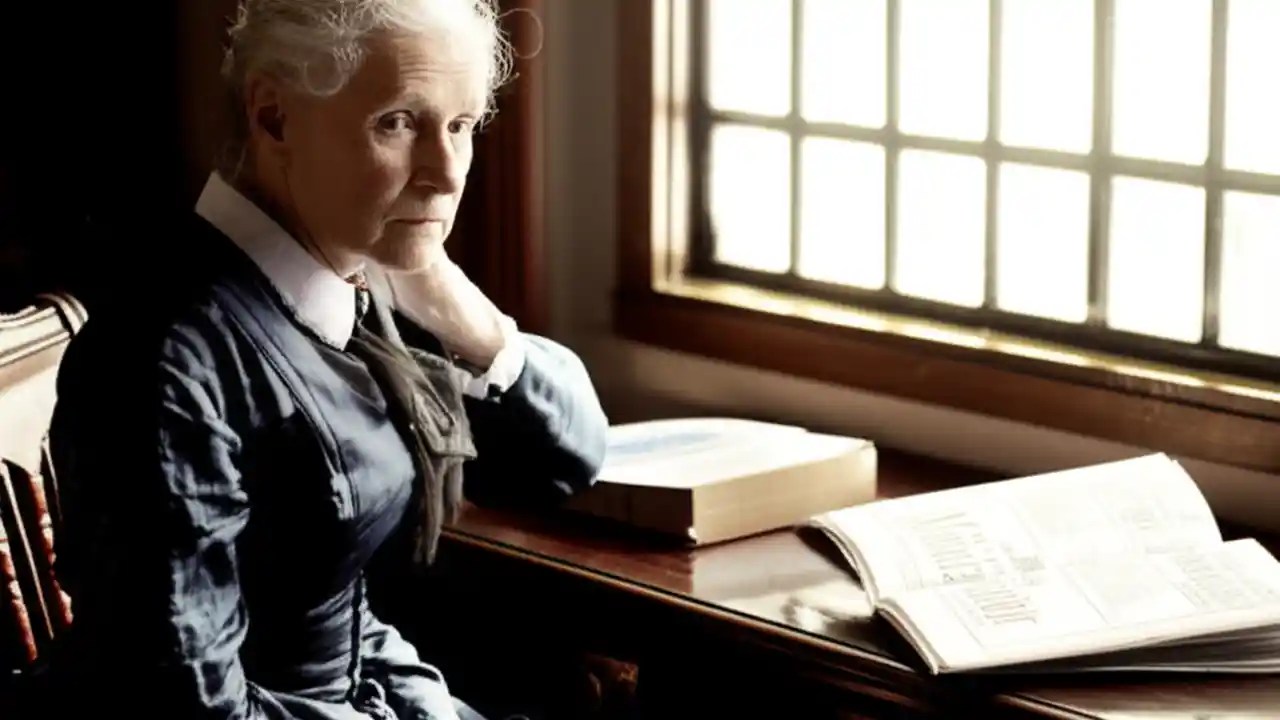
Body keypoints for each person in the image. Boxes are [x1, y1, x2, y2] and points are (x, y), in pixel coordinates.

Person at [42, 1, 608, 718]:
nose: (444, 174)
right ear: (274, 117)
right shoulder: (166, 363)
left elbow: (568, 456)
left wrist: (448, 297)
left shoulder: (348, 273)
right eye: (396, 123)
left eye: (460, 126)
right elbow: (183, 702)